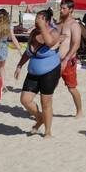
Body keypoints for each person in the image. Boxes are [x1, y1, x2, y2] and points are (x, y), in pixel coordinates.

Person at [16, 9, 61, 138]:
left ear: (47, 21)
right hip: (33, 72)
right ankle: (40, 118)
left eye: (41, 18)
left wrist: (43, 28)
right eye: (37, 17)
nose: (37, 20)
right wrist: (20, 65)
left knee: (45, 102)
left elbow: (50, 42)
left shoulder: (54, 32)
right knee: (25, 100)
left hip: (50, 72)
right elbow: (28, 52)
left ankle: (47, 132)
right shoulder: (33, 33)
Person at [55, 0, 84, 119]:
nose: (61, 10)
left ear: (71, 10)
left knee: (71, 88)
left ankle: (79, 111)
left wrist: (66, 59)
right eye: (60, 8)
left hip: (68, 61)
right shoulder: (58, 24)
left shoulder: (74, 25)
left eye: (64, 8)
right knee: (49, 86)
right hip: (54, 61)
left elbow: (76, 44)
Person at [0, 8, 19, 81]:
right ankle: (2, 86)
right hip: (3, 49)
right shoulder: (9, 25)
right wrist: (18, 47)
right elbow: (13, 37)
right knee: (2, 68)